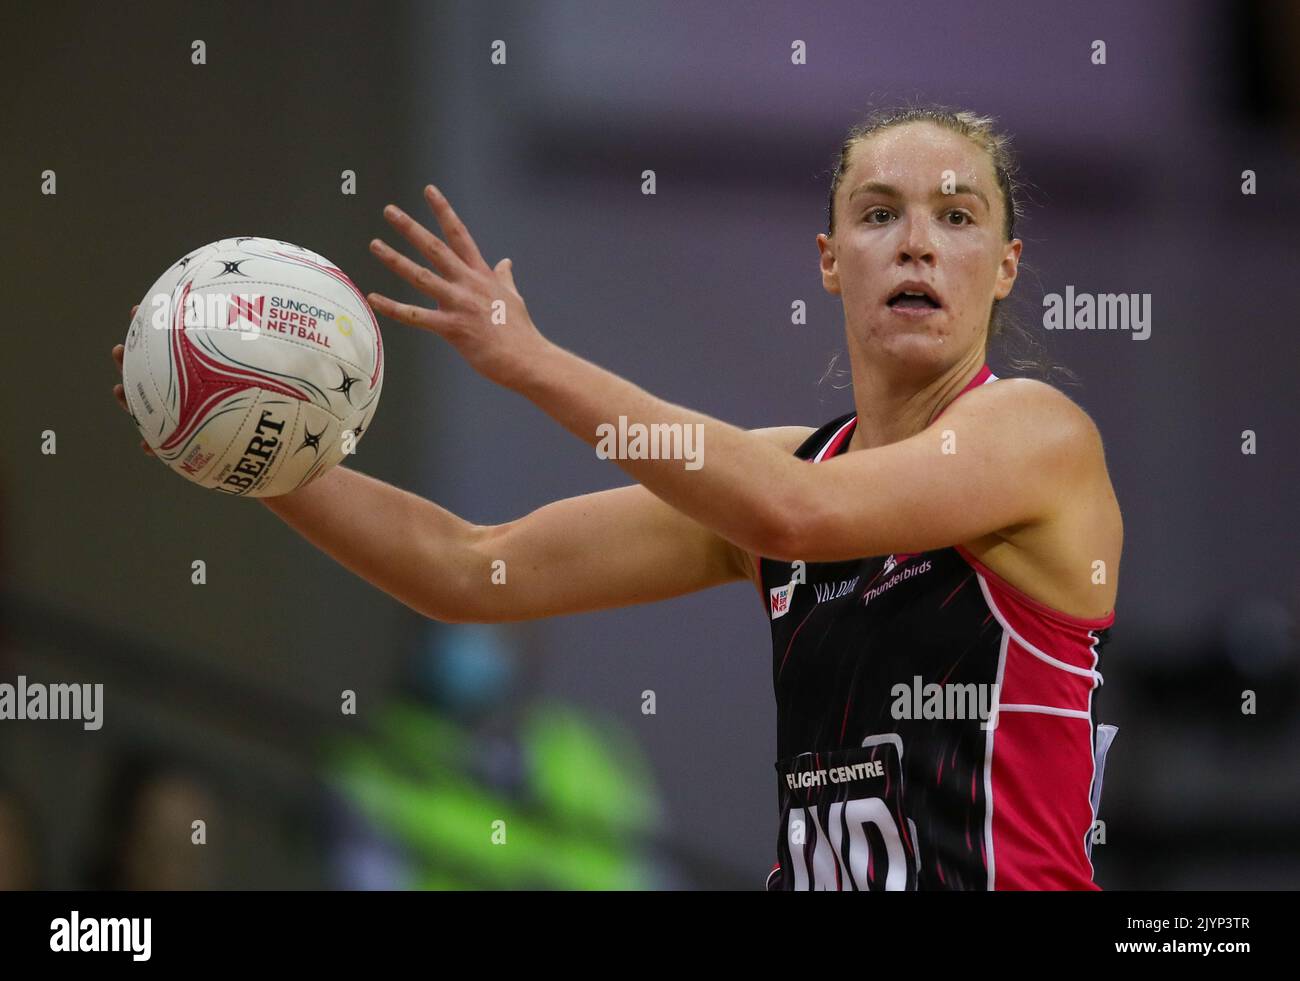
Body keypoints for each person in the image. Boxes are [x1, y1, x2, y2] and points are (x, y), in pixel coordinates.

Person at [112, 106, 1121, 890]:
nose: (916, 243)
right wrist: (245, 442)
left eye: (955, 217)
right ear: (828, 260)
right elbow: (465, 568)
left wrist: (532, 362)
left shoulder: (1036, 435)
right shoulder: (788, 472)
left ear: (1003, 269)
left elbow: (795, 517)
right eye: (877, 214)